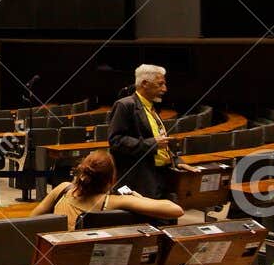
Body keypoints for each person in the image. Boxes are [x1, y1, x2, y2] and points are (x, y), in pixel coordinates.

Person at [33, 150, 183, 228]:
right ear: (112, 179)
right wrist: (139, 199)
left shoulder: (62, 189)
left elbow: (32, 220)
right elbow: (175, 210)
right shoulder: (114, 202)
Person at [107, 63, 178, 199]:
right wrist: (152, 143)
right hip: (140, 178)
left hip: (162, 174)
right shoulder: (125, 105)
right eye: (160, 84)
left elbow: (160, 141)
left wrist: (178, 161)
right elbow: (116, 141)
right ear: (145, 83)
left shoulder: (152, 107)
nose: (165, 89)